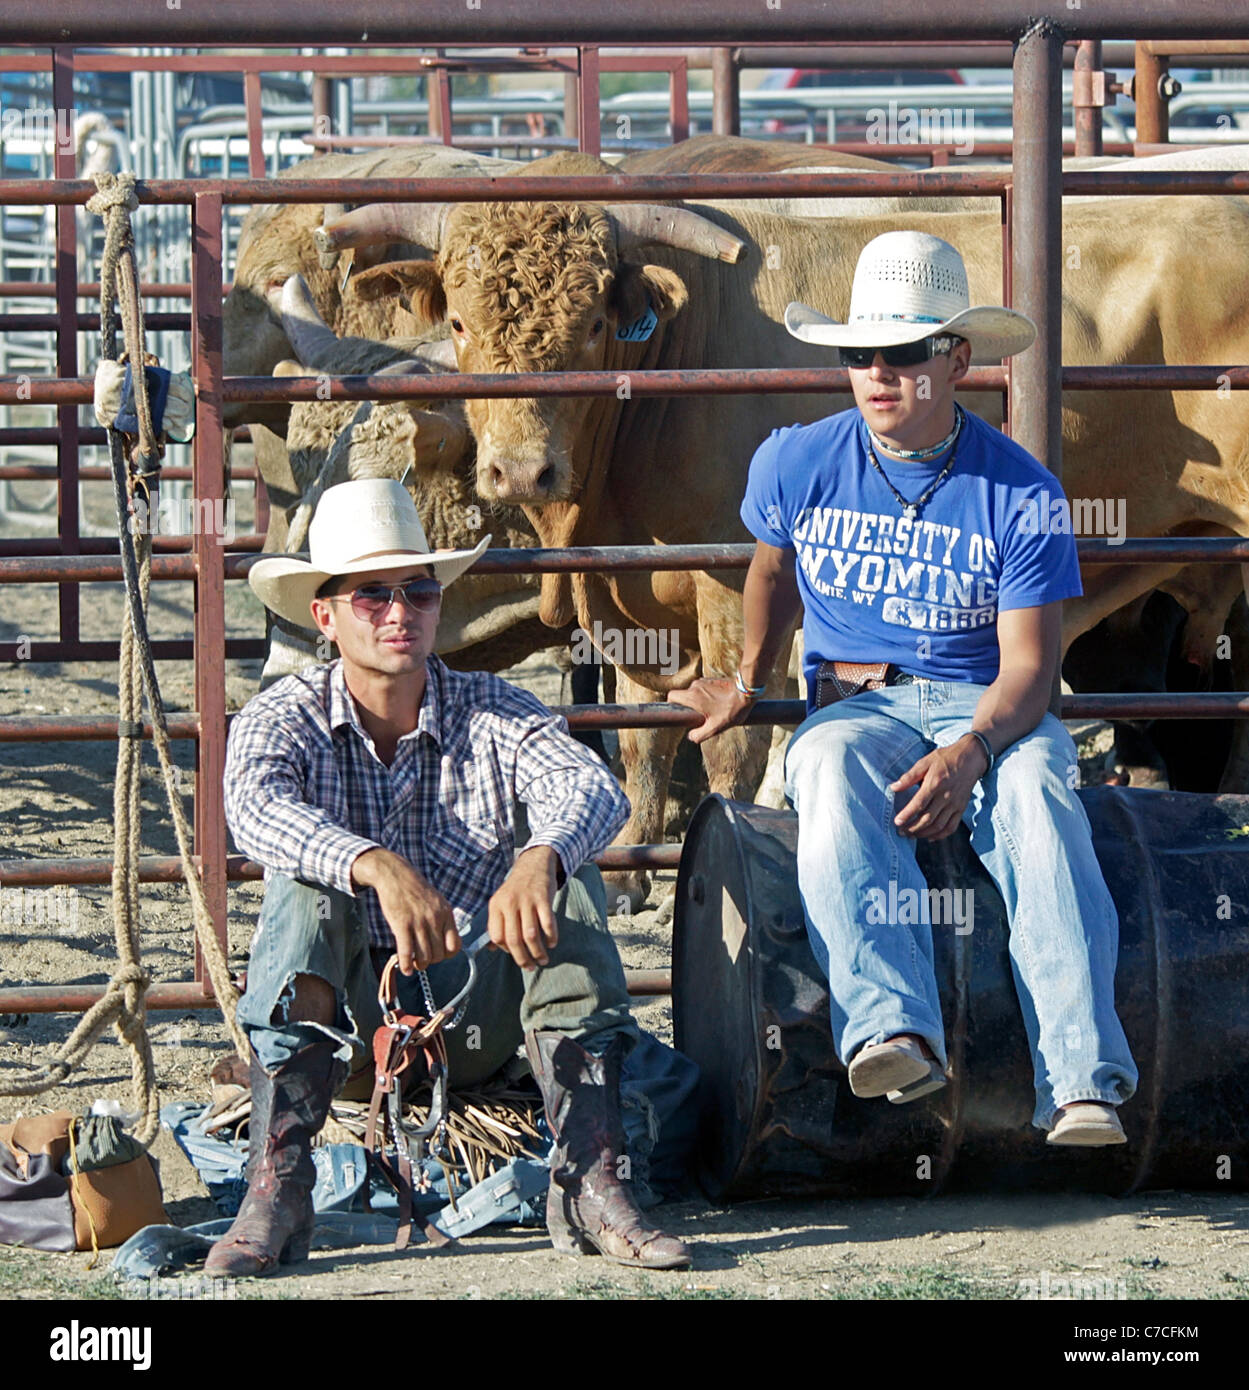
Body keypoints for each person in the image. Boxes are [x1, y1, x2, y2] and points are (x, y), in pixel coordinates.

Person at [670, 231, 1138, 1145]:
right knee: (830, 764)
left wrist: (971, 752)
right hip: (859, 704)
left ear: (955, 359)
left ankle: (1080, 1080)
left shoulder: (1021, 492)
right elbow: (769, 573)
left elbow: (1032, 667)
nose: (877, 373)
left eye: (904, 353)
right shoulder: (796, 460)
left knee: (1041, 796)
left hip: (987, 702)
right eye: (859, 354)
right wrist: (746, 677)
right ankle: (888, 1027)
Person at [209, 477, 690, 1275]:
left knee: (563, 880)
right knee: (305, 884)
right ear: (324, 617)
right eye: (372, 596)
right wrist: (373, 864)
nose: (399, 613)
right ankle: (278, 1189)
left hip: (486, 1016)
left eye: (418, 592)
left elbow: (591, 788)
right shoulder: (283, 715)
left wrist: (539, 856)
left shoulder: (490, 708)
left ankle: (590, 1181)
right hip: (357, 1031)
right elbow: (251, 809)